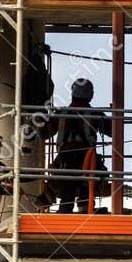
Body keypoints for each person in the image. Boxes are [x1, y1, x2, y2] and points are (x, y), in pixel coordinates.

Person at [46, 77, 111, 213]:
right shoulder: (95, 114)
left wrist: (41, 115)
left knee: (67, 197)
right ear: (91, 95)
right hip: (87, 161)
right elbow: (113, 131)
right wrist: (114, 114)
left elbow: (44, 133)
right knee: (86, 194)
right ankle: (84, 213)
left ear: (72, 93)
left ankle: (64, 218)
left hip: (65, 161)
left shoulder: (61, 113)